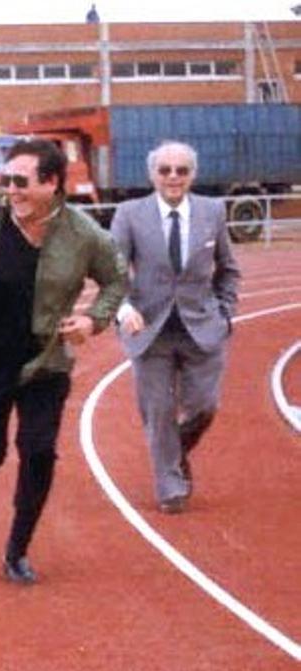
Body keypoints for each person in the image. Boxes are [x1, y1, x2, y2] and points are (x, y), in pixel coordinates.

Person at [0, 138, 126, 585]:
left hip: (44, 362)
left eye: (20, 181)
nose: (9, 190)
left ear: (51, 183)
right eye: (5, 180)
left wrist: (93, 319)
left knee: (38, 451)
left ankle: (17, 549)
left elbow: (115, 281)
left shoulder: (85, 233)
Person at [109, 141, 239, 514]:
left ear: (192, 175)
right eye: (165, 170)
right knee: (158, 410)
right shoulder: (129, 213)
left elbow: (228, 269)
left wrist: (225, 313)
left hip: (202, 327)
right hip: (149, 330)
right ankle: (170, 485)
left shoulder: (213, 211)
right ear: (152, 174)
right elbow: (110, 272)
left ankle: (173, 450)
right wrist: (123, 308)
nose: (173, 177)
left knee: (204, 406)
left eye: (181, 170)